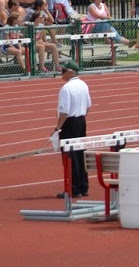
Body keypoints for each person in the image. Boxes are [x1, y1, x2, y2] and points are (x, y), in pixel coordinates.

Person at [54, 58, 92, 198]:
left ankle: (73, 188)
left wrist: (58, 128)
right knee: (81, 152)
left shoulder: (66, 88)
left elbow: (64, 112)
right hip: (81, 121)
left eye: (63, 71)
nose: (61, 74)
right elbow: (88, 106)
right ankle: (83, 186)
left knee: (70, 156)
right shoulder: (83, 84)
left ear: (70, 72)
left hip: (69, 123)